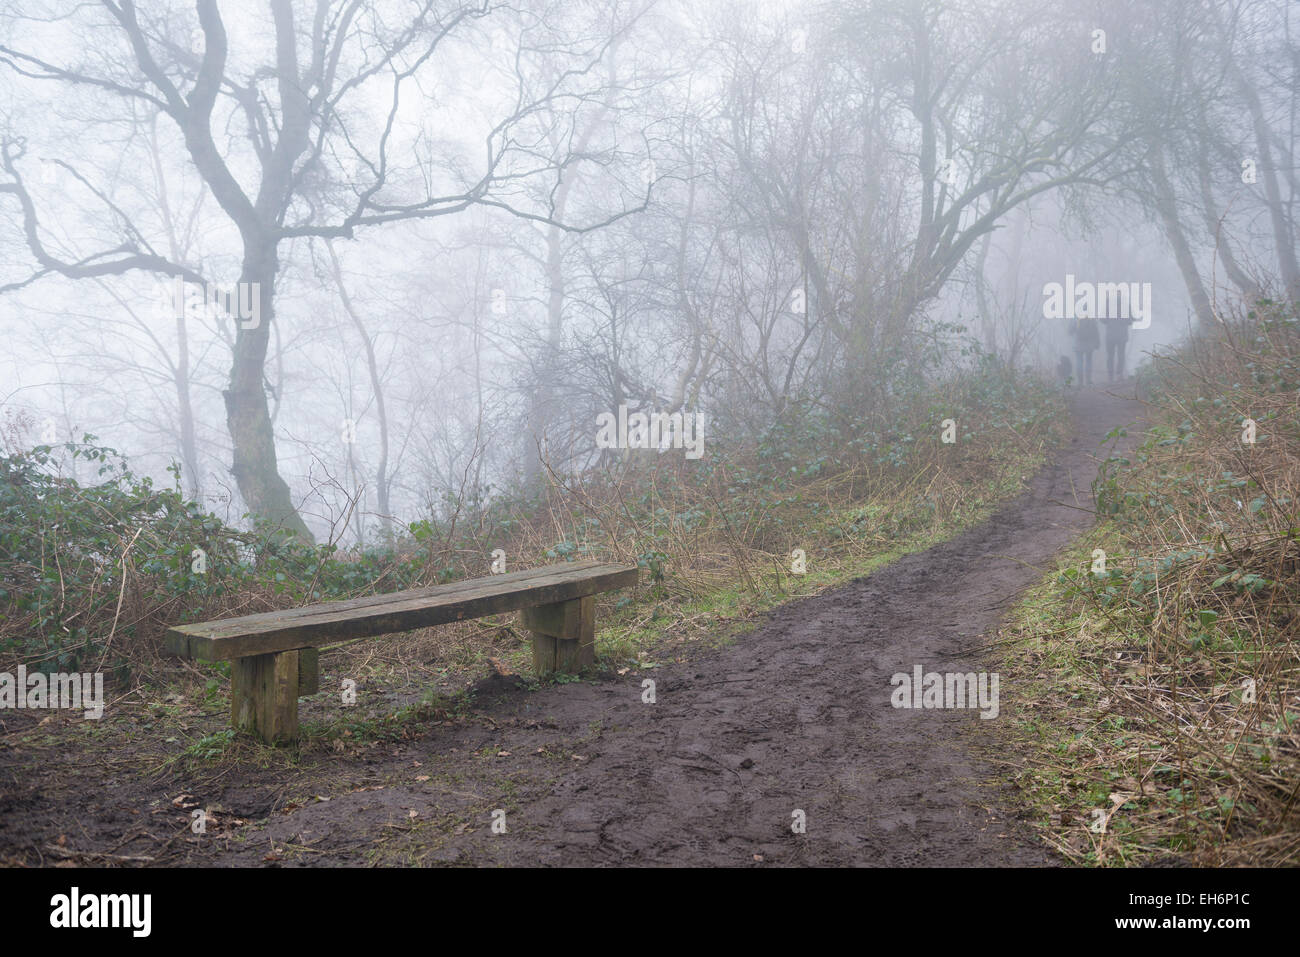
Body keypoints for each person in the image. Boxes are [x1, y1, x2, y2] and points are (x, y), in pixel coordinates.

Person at [1068, 316, 1100, 387]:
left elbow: (1070, 332)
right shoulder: (1091, 318)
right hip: (1089, 344)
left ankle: (1080, 381)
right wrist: (1097, 343)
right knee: (1088, 361)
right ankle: (1088, 381)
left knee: (1079, 362)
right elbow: (1095, 330)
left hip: (1078, 344)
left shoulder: (1075, 318)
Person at [1101, 316, 1132, 382]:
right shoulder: (1126, 306)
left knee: (1110, 356)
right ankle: (1119, 374)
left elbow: (1102, 320)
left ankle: (1110, 376)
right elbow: (1130, 321)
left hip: (1110, 335)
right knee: (1121, 355)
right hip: (1122, 335)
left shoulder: (1108, 306)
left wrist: (1110, 321)